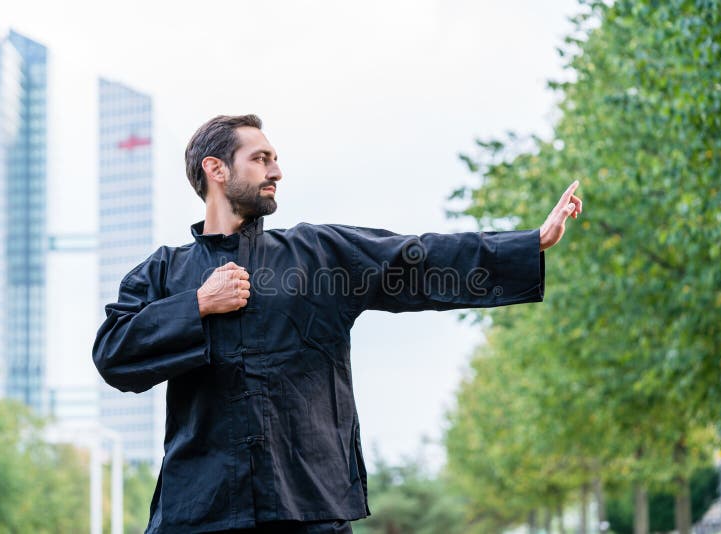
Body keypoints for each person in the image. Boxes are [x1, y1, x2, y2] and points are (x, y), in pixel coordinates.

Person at [92, 114, 582, 533]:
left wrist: (528, 243)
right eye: (260, 158)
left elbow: (416, 257)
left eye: (275, 159)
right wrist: (195, 304)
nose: (277, 170)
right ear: (215, 169)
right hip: (199, 510)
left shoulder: (318, 255)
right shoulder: (163, 273)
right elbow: (114, 355)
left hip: (307, 505)